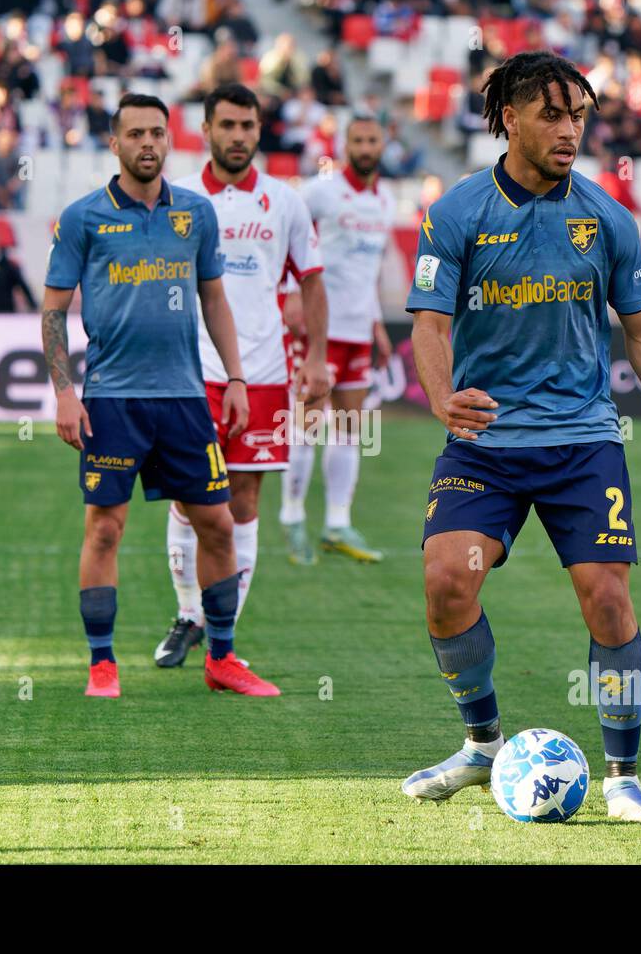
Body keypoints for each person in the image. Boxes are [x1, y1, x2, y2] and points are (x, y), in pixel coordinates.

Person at [404, 51, 641, 822]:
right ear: (509, 118)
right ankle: (482, 746)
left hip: (583, 442)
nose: (570, 130)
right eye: (552, 114)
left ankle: (622, 777)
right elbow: (429, 321)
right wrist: (442, 396)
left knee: (608, 601)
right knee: (447, 584)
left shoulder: (607, 218)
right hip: (484, 445)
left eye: (579, 115)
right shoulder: (456, 213)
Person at [40, 92, 279, 699]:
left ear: (169, 141)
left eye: (157, 134)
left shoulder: (195, 214)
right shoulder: (82, 218)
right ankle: (102, 664)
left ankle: (222, 658)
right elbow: (53, 312)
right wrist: (65, 393)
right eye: (136, 135)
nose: (148, 144)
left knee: (218, 526)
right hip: (114, 401)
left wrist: (237, 378)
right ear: (114, 144)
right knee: (104, 530)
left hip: (185, 398)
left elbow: (215, 300)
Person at [157, 83, 330, 668]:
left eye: (247, 126)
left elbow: (311, 280)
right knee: (189, 499)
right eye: (226, 125)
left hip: (262, 375)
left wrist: (315, 357)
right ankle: (187, 615)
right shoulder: (176, 199)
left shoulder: (285, 202)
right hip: (189, 373)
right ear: (205, 131)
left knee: (245, 499)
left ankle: (222, 631)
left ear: (259, 131)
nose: (237, 136)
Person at [280, 115, 394, 565]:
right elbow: (286, 235)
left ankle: (336, 523)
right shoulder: (320, 191)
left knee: (351, 428)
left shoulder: (385, 199)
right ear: (347, 145)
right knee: (306, 426)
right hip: (317, 328)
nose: (366, 147)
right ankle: (292, 520)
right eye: (359, 140)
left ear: (383, 145)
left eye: (373, 140)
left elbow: (367, 271)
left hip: (357, 330)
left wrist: (377, 323)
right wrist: (290, 294)